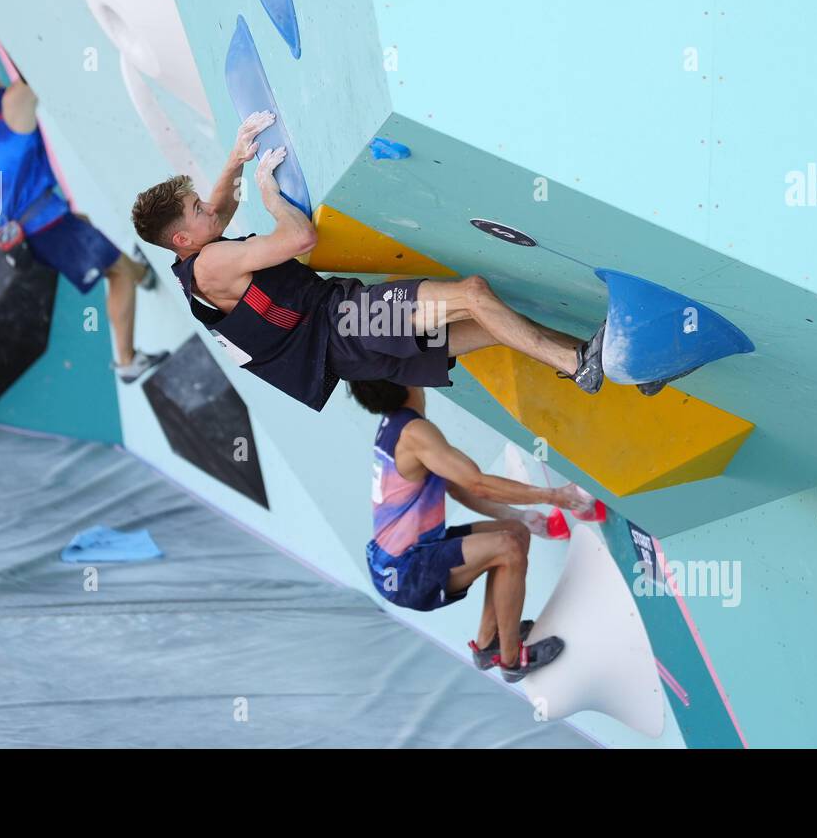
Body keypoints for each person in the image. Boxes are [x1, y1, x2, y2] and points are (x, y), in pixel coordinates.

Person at [132, 128, 687, 411]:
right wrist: (269, 192)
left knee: (494, 329)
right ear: (184, 237)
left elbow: (219, 212)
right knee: (472, 293)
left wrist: (234, 158)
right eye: (197, 210)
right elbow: (301, 236)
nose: (209, 205)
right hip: (346, 322)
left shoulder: (195, 265)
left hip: (345, 352)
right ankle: (578, 363)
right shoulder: (214, 261)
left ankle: (620, 366)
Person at [0, 43, 166, 383]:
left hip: (25, 221)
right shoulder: (14, 100)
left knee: (85, 226)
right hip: (42, 224)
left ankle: (143, 273)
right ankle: (127, 361)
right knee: (115, 275)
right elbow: (33, 66)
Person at [350, 378, 601, 682]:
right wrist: (555, 496)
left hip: (402, 558)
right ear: (403, 378)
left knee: (515, 533)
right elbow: (477, 483)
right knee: (507, 548)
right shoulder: (415, 432)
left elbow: (459, 489)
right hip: (405, 570)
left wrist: (519, 516)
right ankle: (511, 660)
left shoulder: (397, 425)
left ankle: (487, 644)